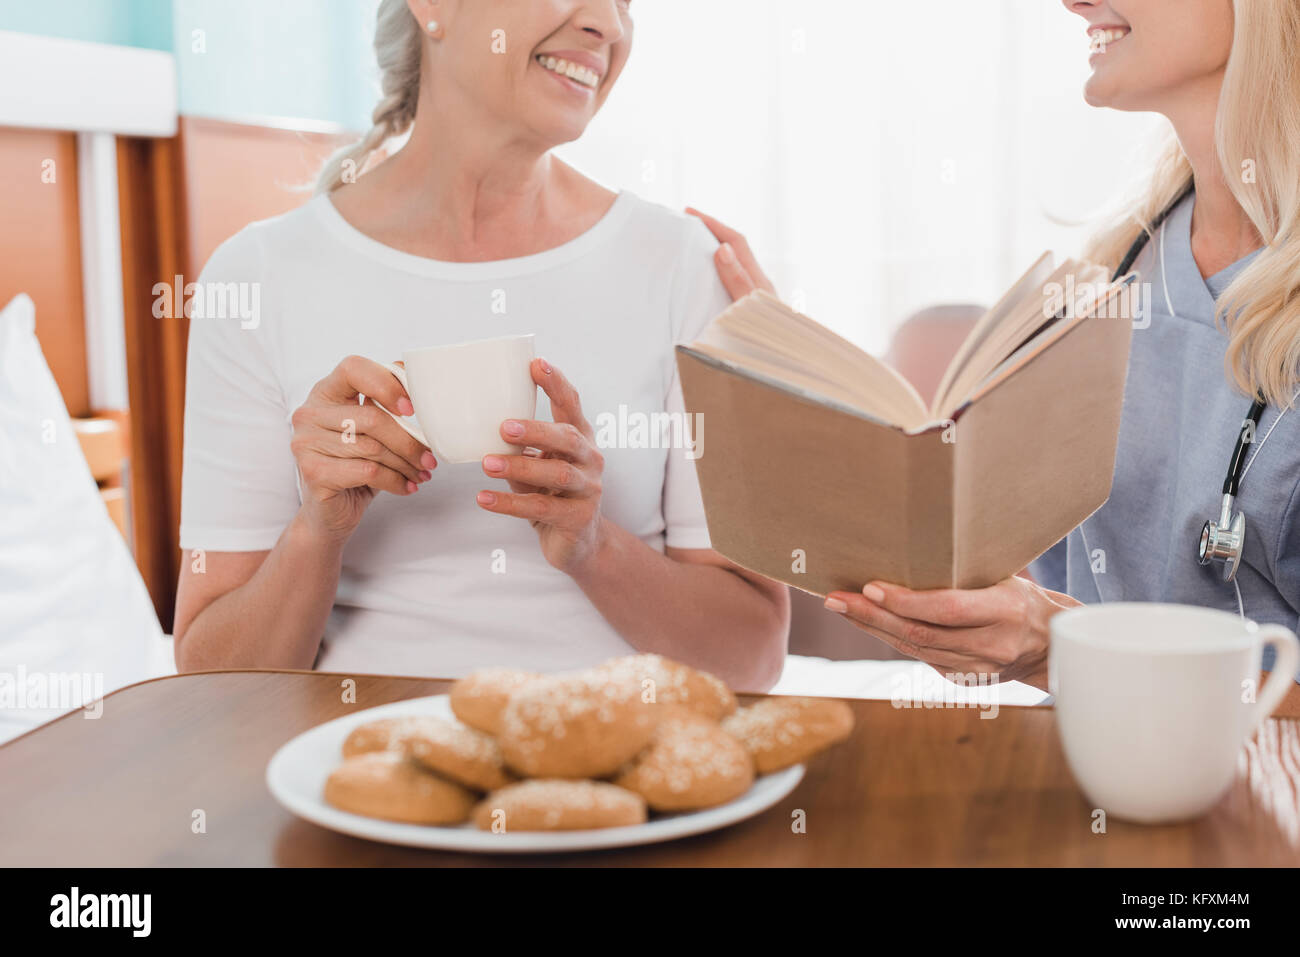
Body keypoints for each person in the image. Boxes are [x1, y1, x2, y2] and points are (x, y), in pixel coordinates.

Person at [173, 0, 789, 689]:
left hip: (616, 762)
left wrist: (594, 544)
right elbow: (210, 682)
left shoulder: (684, 268)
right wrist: (316, 532)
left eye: (626, 2)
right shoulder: (257, 278)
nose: (610, 27)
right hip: (359, 768)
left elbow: (751, 660)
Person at [691, 0, 1300, 689]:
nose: (1073, 2)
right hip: (1090, 777)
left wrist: (1059, 647)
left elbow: (1069, 640)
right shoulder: (1120, 267)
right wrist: (794, 374)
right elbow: (1053, 598)